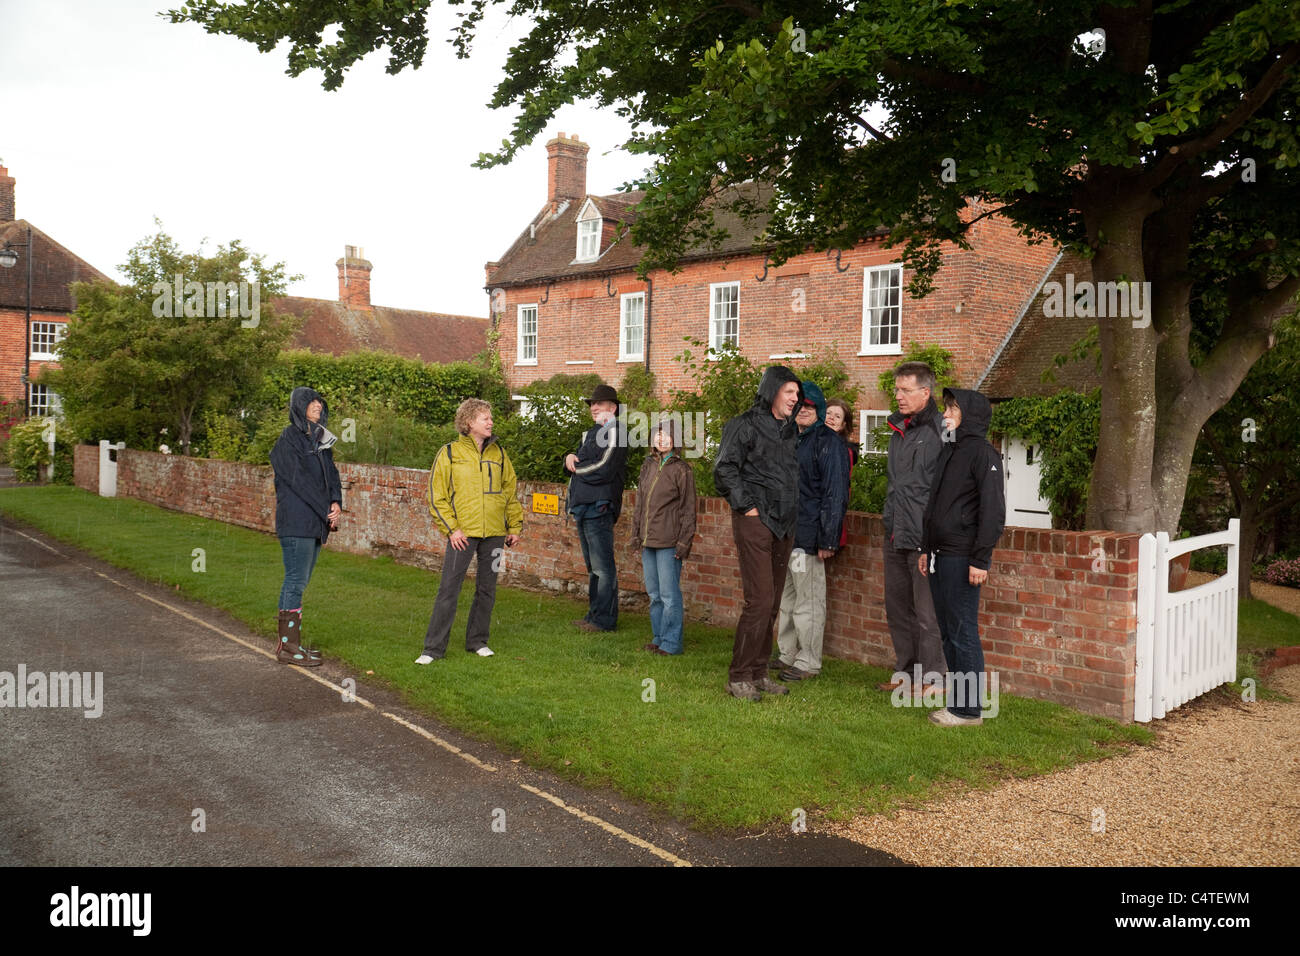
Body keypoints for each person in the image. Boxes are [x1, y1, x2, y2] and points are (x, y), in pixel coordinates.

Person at [713, 365, 802, 701]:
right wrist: (747, 507)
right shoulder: (744, 425)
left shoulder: (790, 430)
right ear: (772, 391)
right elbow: (724, 469)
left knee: (774, 603)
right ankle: (739, 676)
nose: (795, 398)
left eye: (797, 393)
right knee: (760, 601)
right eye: (789, 391)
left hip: (785, 523)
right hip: (755, 520)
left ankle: (759, 673)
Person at [919, 388, 1006, 725]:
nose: (945, 414)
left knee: (963, 631)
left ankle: (969, 711)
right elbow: (934, 506)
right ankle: (958, 703)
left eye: (952, 409)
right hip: (940, 555)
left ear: (969, 414)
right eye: (946, 408)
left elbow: (993, 512)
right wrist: (926, 549)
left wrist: (981, 560)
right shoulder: (949, 450)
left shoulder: (984, 455)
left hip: (962, 557)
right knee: (948, 632)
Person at [416, 399, 523, 663]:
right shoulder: (449, 453)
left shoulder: (499, 453)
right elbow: (436, 496)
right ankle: (433, 649)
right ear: (468, 423)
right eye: (485, 418)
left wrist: (514, 526)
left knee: (487, 589)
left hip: (496, 534)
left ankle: (477, 641)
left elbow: (510, 491)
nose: (491, 422)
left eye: (490, 418)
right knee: (449, 589)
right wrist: (452, 529)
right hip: (462, 535)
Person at [774, 381, 849, 681]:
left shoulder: (828, 442)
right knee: (787, 600)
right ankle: (788, 654)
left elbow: (835, 493)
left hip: (811, 536)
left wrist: (828, 538)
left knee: (809, 602)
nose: (803, 411)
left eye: (809, 407)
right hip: (788, 533)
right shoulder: (793, 437)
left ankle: (808, 661)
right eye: (799, 406)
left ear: (818, 410)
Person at [880, 361, 947, 693]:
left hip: (924, 538)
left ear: (925, 391)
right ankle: (905, 675)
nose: (899, 396)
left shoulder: (942, 430)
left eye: (905, 390)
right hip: (895, 533)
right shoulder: (898, 429)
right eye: (896, 389)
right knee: (898, 609)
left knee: (927, 613)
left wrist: (933, 539)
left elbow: (948, 488)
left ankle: (934, 679)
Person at [269, 386, 342, 667]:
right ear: (298, 406)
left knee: (301, 582)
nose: (317, 405)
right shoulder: (288, 440)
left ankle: (293, 645)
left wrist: (336, 502)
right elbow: (300, 482)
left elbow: (331, 476)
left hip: (314, 522)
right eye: (311, 401)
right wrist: (325, 509)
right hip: (296, 522)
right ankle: (288, 648)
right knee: (295, 582)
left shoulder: (321, 440)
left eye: (319, 402)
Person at [564, 383, 629, 632]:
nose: (593, 407)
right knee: (593, 568)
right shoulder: (593, 432)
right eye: (592, 404)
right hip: (583, 505)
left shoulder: (617, 431)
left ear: (612, 408)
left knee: (603, 568)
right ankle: (594, 616)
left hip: (599, 506)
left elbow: (604, 468)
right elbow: (579, 460)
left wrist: (577, 468)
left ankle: (605, 621)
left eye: (598, 403)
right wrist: (569, 458)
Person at [631, 418, 697, 655]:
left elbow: (689, 510)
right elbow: (640, 503)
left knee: (669, 595)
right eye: (658, 434)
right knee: (654, 595)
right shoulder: (648, 465)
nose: (662, 439)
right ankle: (658, 637)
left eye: (667, 435)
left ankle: (672, 643)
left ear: (676, 440)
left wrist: (683, 543)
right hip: (648, 541)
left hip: (670, 543)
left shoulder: (682, 470)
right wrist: (636, 536)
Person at [824, 398, 859, 550]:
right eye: (828, 413)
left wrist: (828, 537)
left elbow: (838, 494)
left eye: (837, 416)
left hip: (825, 526)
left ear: (843, 425)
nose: (831, 418)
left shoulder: (843, 452)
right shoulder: (813, 443)